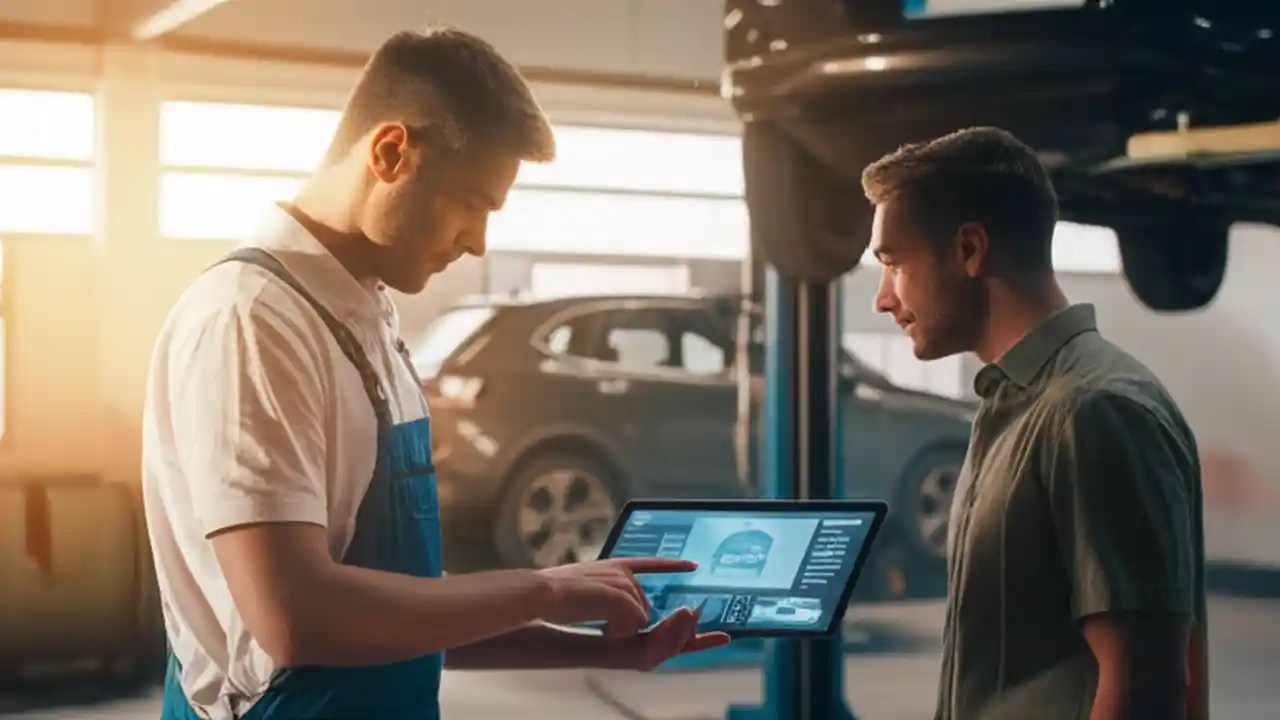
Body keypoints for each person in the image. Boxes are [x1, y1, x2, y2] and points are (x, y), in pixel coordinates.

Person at [141, 27, 728, 720]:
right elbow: (299, 618)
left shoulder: (365, 318)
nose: (479, 240)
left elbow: (400, 606)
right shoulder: (255, 320)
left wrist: (598, 647)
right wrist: (543, 588)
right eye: (473, 202)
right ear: (392, 152)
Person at [861, 127, 1208, 720]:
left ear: (971, 249)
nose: (883, 298)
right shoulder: (1013, 407)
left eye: (894, 265)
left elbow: (1144, 688)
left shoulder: (1092, 411)